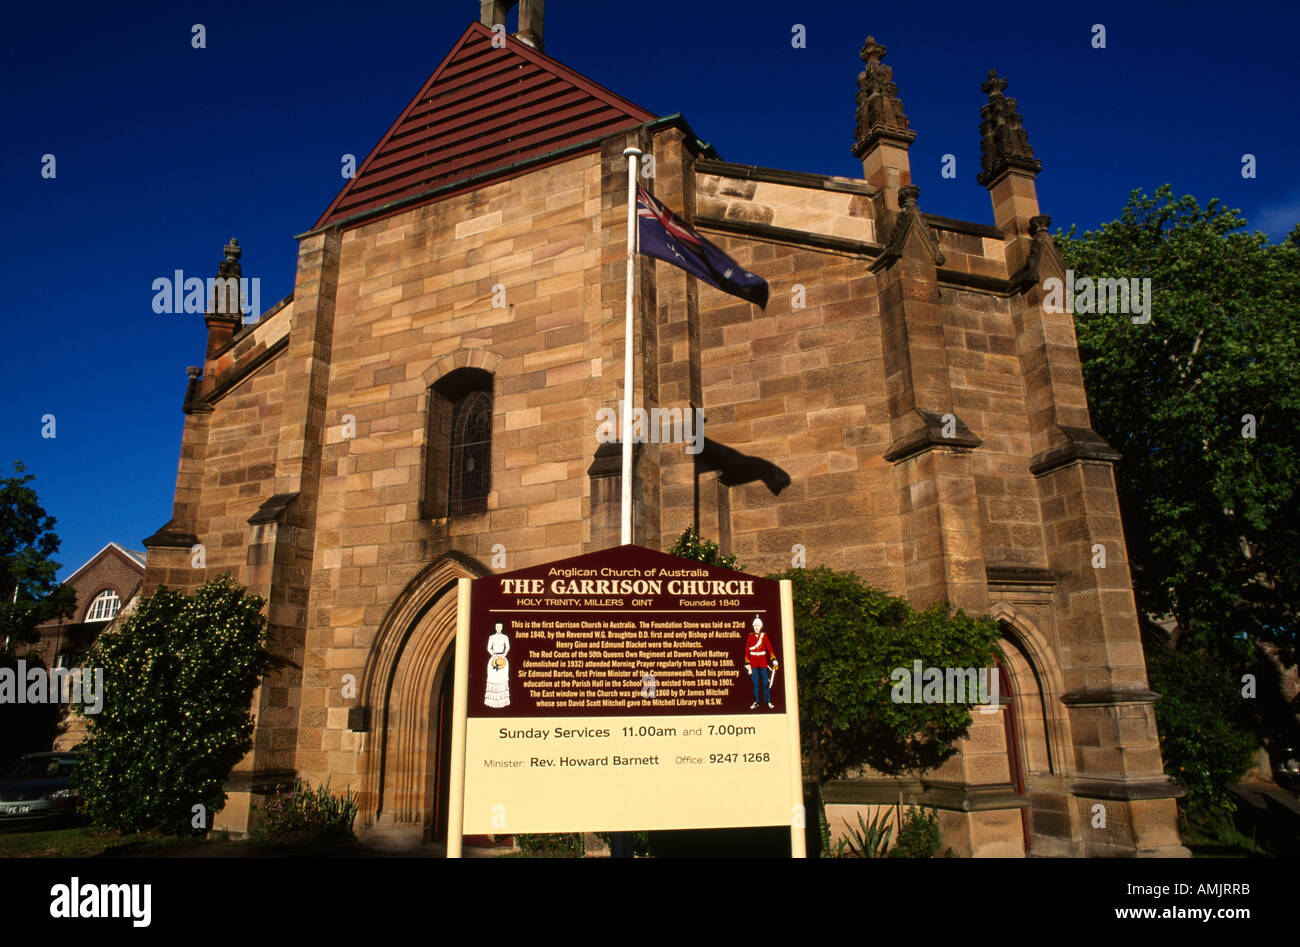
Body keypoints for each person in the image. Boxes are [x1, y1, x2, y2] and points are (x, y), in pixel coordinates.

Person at [742, 615, 777, 709]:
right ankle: (756, 701)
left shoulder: (764, 636)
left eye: (758, 626)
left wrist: (773, 659)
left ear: (761, 627)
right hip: (753, 662)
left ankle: (768, 701)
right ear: (753, 627)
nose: (756, 627)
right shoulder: (750, 637)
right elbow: (747, 650)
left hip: (763, 662)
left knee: (766, 682)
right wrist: (747, 661)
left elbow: (769, 648)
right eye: (755, 626)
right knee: (755, 683)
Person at [485, 622, 510, 708]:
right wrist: (493, 654)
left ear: (502, 627)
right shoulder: (491, 637)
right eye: (497, 626)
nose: (499, 627)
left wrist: (504, 654)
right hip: (494, 658)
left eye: (500, 626)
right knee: (493, 679)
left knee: (502, 679)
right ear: (495, 627)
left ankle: (502, 701)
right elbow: (489, 647)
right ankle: (492, 701)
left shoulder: (505, 637)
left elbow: (507, 647)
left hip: (502, 659)